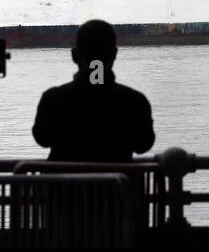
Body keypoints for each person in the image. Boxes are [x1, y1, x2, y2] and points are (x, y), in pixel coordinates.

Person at [32, 20, 155, 162]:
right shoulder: (135, 102)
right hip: (117, 177)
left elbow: (42, 139)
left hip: (63, 177)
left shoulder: (52, 99)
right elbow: (143, 145)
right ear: (114, 54)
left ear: (74, 55)